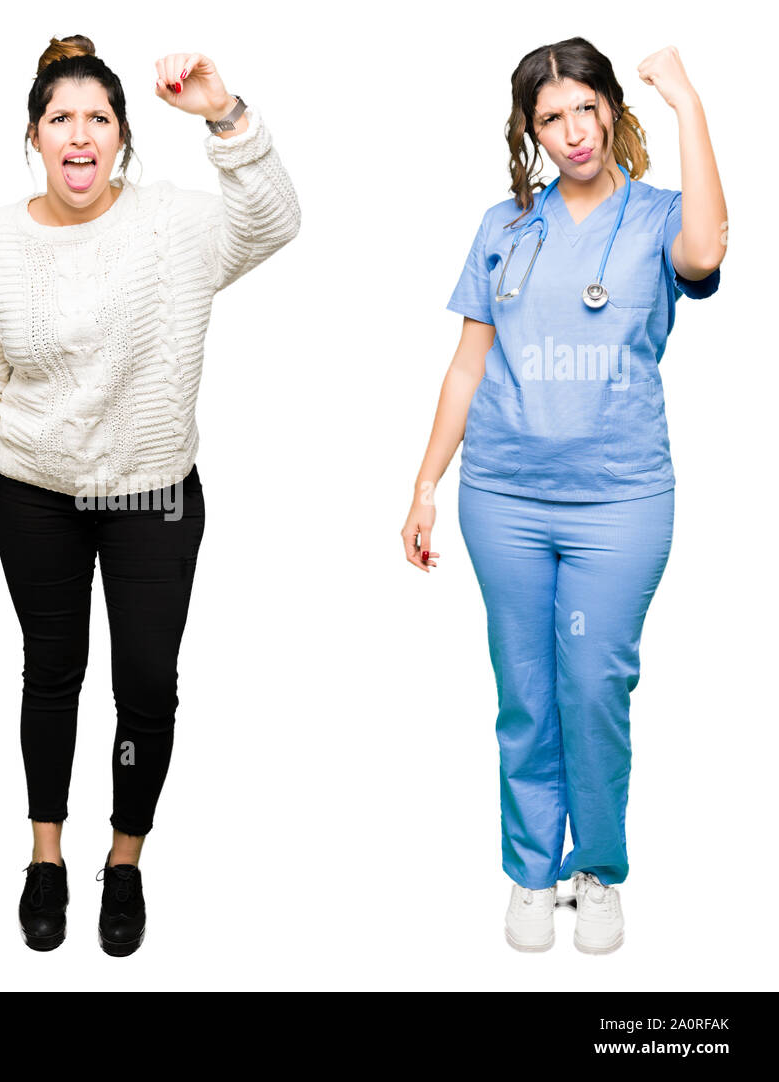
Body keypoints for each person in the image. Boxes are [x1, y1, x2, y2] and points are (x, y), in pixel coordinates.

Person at [0, 35, 298, 955]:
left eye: (99, 118)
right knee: (52, 674)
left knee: (146, 684)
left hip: (152, 493)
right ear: (34, 137)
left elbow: (276, 219)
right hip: (36, 493)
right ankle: (46, 858)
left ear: (125, 138)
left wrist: (225, 115)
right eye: (62, 119)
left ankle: (124, 861)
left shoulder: (175, 226)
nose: (80, 135)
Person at [402, 38, 724, 954]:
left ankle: (600, 868)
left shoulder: (659, 215)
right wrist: (425, 484)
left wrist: (687, 103)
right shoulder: (503, 226)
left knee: (594, 685)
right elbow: (469, 365)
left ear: (614, 111)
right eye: (551, 117)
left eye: (587, 108)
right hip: (502, 495)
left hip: (619, 500)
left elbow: (703, 255)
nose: (573, 132)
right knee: (525, 691)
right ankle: (531, 870)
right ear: (529, 131)